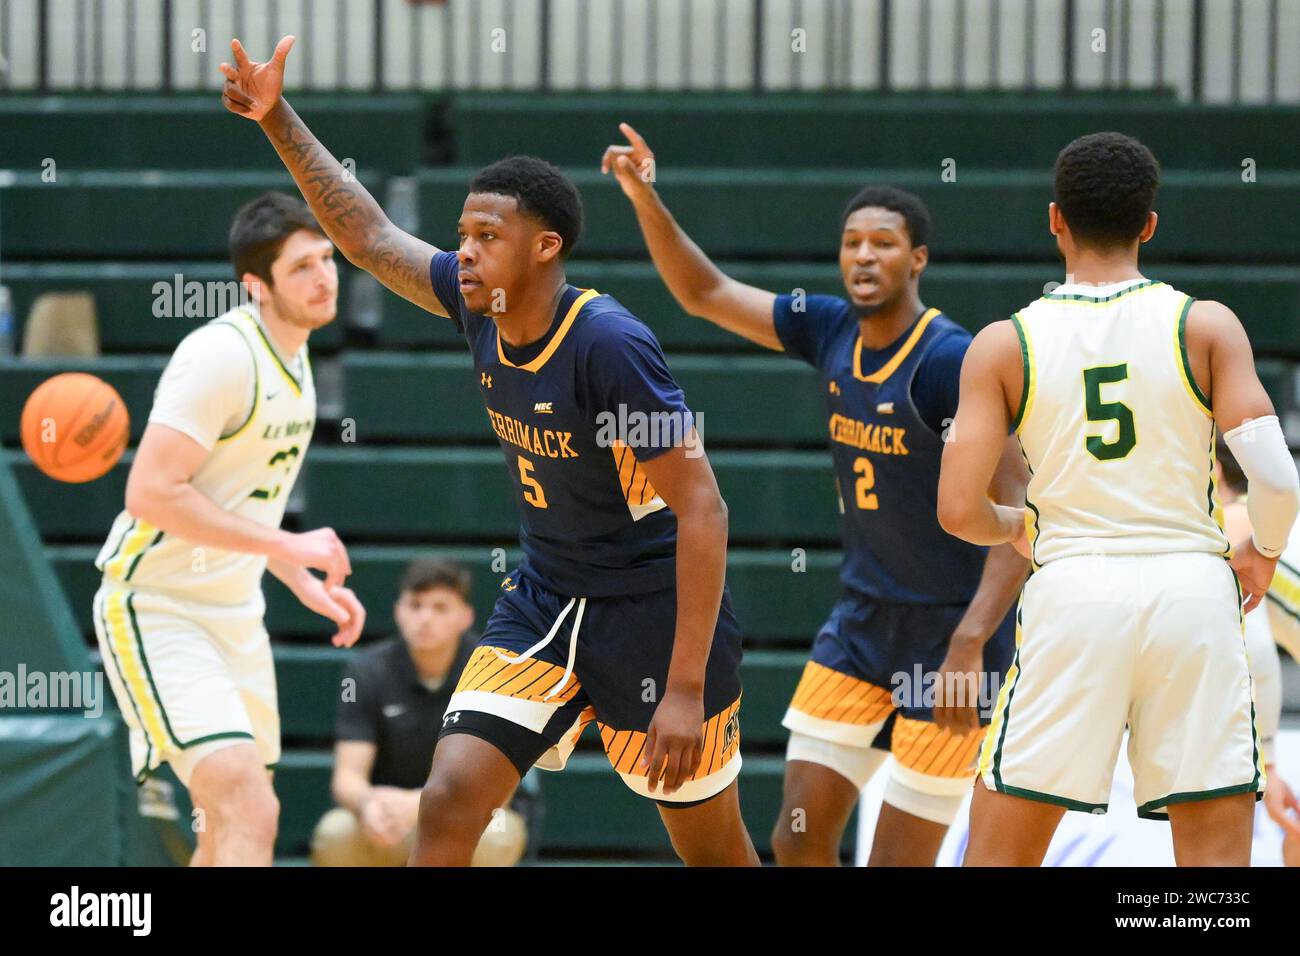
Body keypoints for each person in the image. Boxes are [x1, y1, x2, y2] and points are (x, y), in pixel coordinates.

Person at [219, 36, 758, 866]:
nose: (464, 250)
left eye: (486, 235)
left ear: (545, 247)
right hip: (544, 596)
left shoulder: (609, 346)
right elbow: (366, 235)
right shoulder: (478, 304)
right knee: (450, 799)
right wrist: (274, 115)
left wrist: (683, 688)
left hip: (653, 611)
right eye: (461, 233)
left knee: (711, 847)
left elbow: (704, 507)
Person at [600, 125, 1027, 865]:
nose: (864, 255)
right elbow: (705, 292)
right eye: (852, 242)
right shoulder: (829, 327)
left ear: (917, 259)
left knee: (898, 860)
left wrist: (971, 643)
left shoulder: (948, 360)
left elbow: (1023, 509)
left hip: (954, 634)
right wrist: (644, 195)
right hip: (860, 623)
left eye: (884, 243)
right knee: (795, 837)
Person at [938, 130, 1300, 866]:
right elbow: (1279, 479)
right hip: (1193, 598)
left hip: (1075, 594)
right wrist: (1260, 550)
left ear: (1055, 220)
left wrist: (1015, 523)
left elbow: (955, 508)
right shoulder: (1204, 325)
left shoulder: (1006, 345)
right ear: (1149, 224)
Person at [93, 191, 366, 867]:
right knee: (247, 803)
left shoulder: (298, 360)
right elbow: (151, 491)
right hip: (159, 605)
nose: (325, 276)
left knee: (232, 826)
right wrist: (284, 545)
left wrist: (297, 578)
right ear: (258, 285)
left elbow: (245, 504)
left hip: (235, 614)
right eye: (302, 266)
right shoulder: (219, 356)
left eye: (326, 259)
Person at [312, 558, 532, 867]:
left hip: (464, 817)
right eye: (415, 605)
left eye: (440, 608)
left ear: (465, 617)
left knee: (499, 830)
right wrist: (368, 806)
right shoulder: (366, 670)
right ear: (398, 611)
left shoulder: (491, 671)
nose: (425, 618)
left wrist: (415, 804)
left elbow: (498, 791)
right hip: (389, 822)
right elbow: (347, 777)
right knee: (336, 833)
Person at [1217, 441, 1300, 866]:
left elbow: (1258, 655)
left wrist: (1266, 763)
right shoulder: (1274, 518)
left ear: (1211, 468)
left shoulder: (1234, 523)